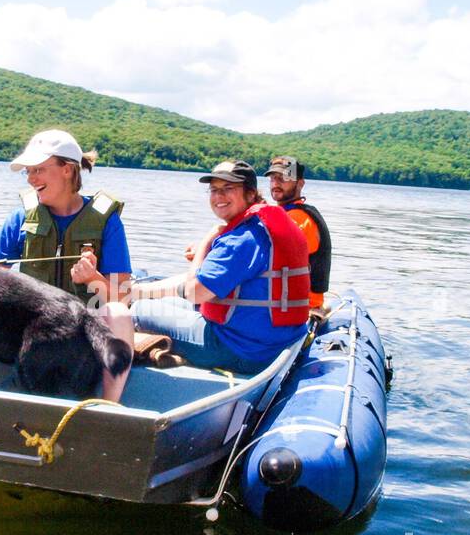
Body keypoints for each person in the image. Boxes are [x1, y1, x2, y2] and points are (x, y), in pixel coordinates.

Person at [0, 128, 134, 399]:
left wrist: (93, 279)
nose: (31, 179)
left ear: (68, 170)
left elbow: (123, 296)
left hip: (86, 329)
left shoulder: (107, 221)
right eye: (28, 172)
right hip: (33, 330)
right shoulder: (20, 218)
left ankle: (109, 404)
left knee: (119, 313)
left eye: (39, 170)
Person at [130, 160, 310, 373]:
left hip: (240, 350)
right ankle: (165, 348)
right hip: (273, 344)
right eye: (214, 190)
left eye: (228, 189)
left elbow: (193, 292)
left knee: (139, 310)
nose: (218, 196)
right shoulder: (265, 226)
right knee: (167, 301)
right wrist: (135, 290)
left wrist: (208, 239)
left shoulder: (240, 239)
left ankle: (154, 353)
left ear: (251, 194)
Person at [266, 155, 332, 309]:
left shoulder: (298, 218)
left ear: (300, 184)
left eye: (283, 178)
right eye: (273, 178)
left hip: (299, 308)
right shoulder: (287, 214)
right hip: (289, 303)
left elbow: (267, 258)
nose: (276, 183)